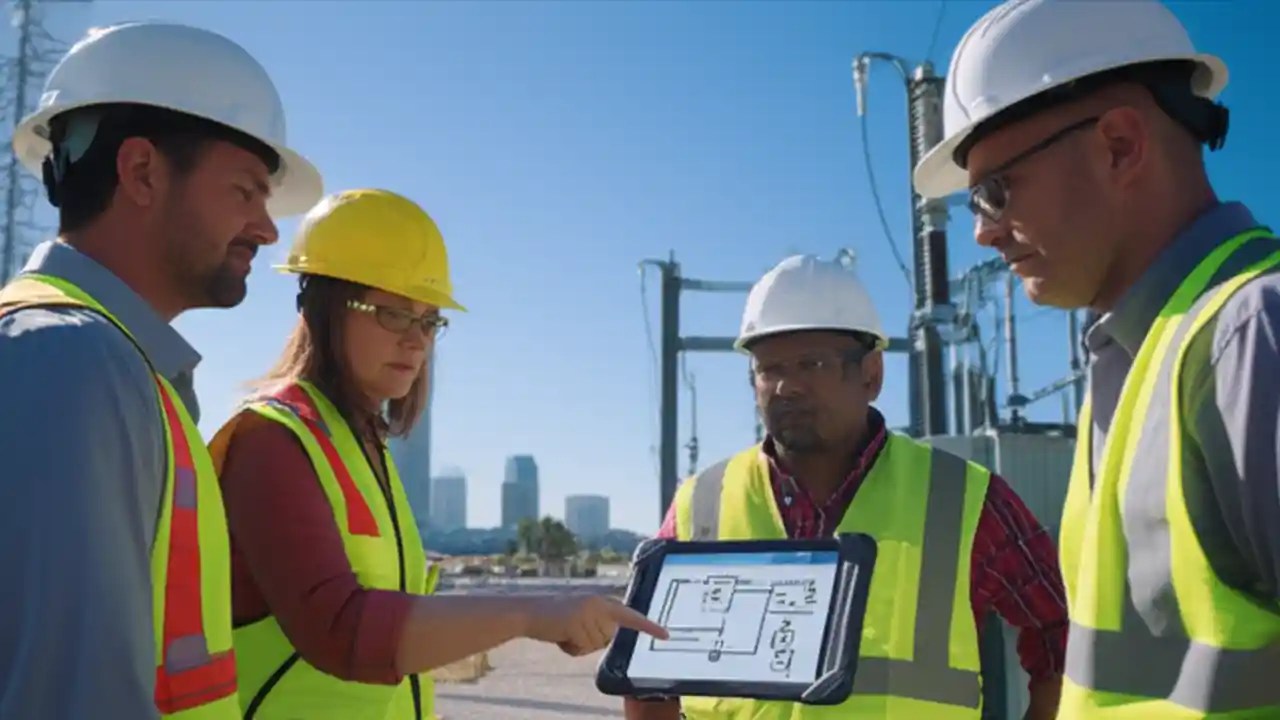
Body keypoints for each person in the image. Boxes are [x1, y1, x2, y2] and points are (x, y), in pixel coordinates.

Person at [912, 0, 1280, 716]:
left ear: (1118, 145)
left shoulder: (1249, 337)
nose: (984, 235)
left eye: (995, 191)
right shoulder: (1138, 358)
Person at [206, 188, 668, 720]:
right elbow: (343, 631)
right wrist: (532, 612)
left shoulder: (359, 444)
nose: (417, 341)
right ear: (322, 307)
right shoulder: (271, 440)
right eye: (392, 314)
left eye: (428, 320)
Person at [0, 21, 321, 720]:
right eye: (245, 191)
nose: (269, 229)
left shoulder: (111, 365)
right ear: (142, 172)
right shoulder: (70, 363)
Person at [625, 254, 1068, 720]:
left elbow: (1064, 636)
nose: (785, 387)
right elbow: (645, 668)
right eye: (768, 368)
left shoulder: (963, 500)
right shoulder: (702, 503)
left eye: (811, 363)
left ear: (871, 375)